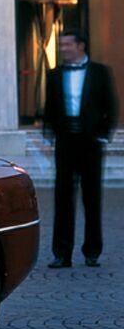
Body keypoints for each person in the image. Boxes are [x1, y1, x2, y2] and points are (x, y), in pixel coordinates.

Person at [44, 30, 118, 268]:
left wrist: (103, 136)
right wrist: (51, 134)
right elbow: (49, 107)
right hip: (65, 142)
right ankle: (61, 253)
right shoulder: (54, 75)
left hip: (90, 143)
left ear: (80, 45)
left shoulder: (100, 73)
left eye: (67, 44)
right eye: (61, 44)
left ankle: (92, 251)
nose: (63, 48)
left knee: (91, 198)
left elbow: (111, 105)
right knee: (63, 198)